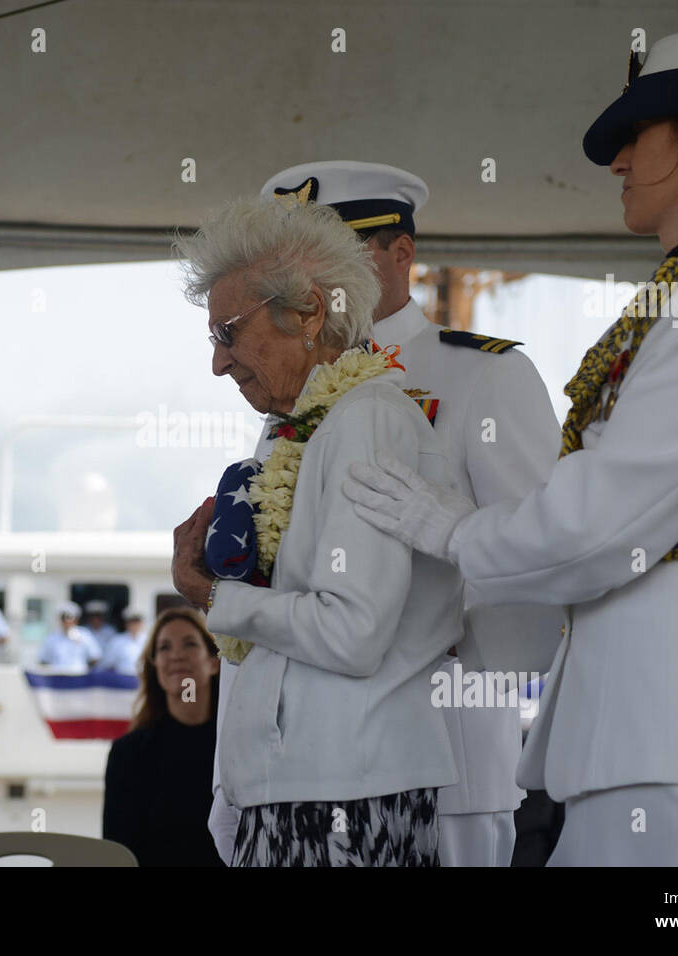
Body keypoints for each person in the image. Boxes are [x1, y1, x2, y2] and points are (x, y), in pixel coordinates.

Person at [345, 25, 678, 866]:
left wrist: (450, 528)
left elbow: (606, 525)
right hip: (668, 748)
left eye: (635, 136)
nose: (615, 163)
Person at [217, 160, 566, 867]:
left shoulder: (483, 375)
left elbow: (541, 567)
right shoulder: (296, 383)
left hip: (438, 764)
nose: (303, 277)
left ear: (400, 254)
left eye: (327, 252)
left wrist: (423, 660)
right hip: (286, 764)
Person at [170, 196, 462, 866]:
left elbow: (352, 631)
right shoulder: (304, 425)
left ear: (308, 313)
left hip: (344, 794)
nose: (219, 363)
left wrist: (211, 595)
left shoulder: (365, 422)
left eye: (228, 333)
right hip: (303, 783)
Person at [102, 608, 224, 866]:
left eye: (189, 644)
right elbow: (118, 851)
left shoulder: (237, 747)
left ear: (214, 661)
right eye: (164, 648)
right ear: (155, 664)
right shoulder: (129, 753)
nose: (176, 655)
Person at [38, 602, 101, 671]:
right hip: (58, 677)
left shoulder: (85, 635)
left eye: (71, 619)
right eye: (64, 619)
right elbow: (43, 660)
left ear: (76, 620)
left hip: (79, 677)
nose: (68, 622)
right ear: (61, 620)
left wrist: (86, 670)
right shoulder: (52, 638)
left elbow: (95, 656)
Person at [97, 607, 148, 675]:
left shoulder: (148, 640)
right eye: (131, 622)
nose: (134, 625)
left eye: (137, 622)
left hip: (143, 679)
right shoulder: (117, 641)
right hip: (122, 680)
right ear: (126, 623)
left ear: (142, 623)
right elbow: (107, 664)